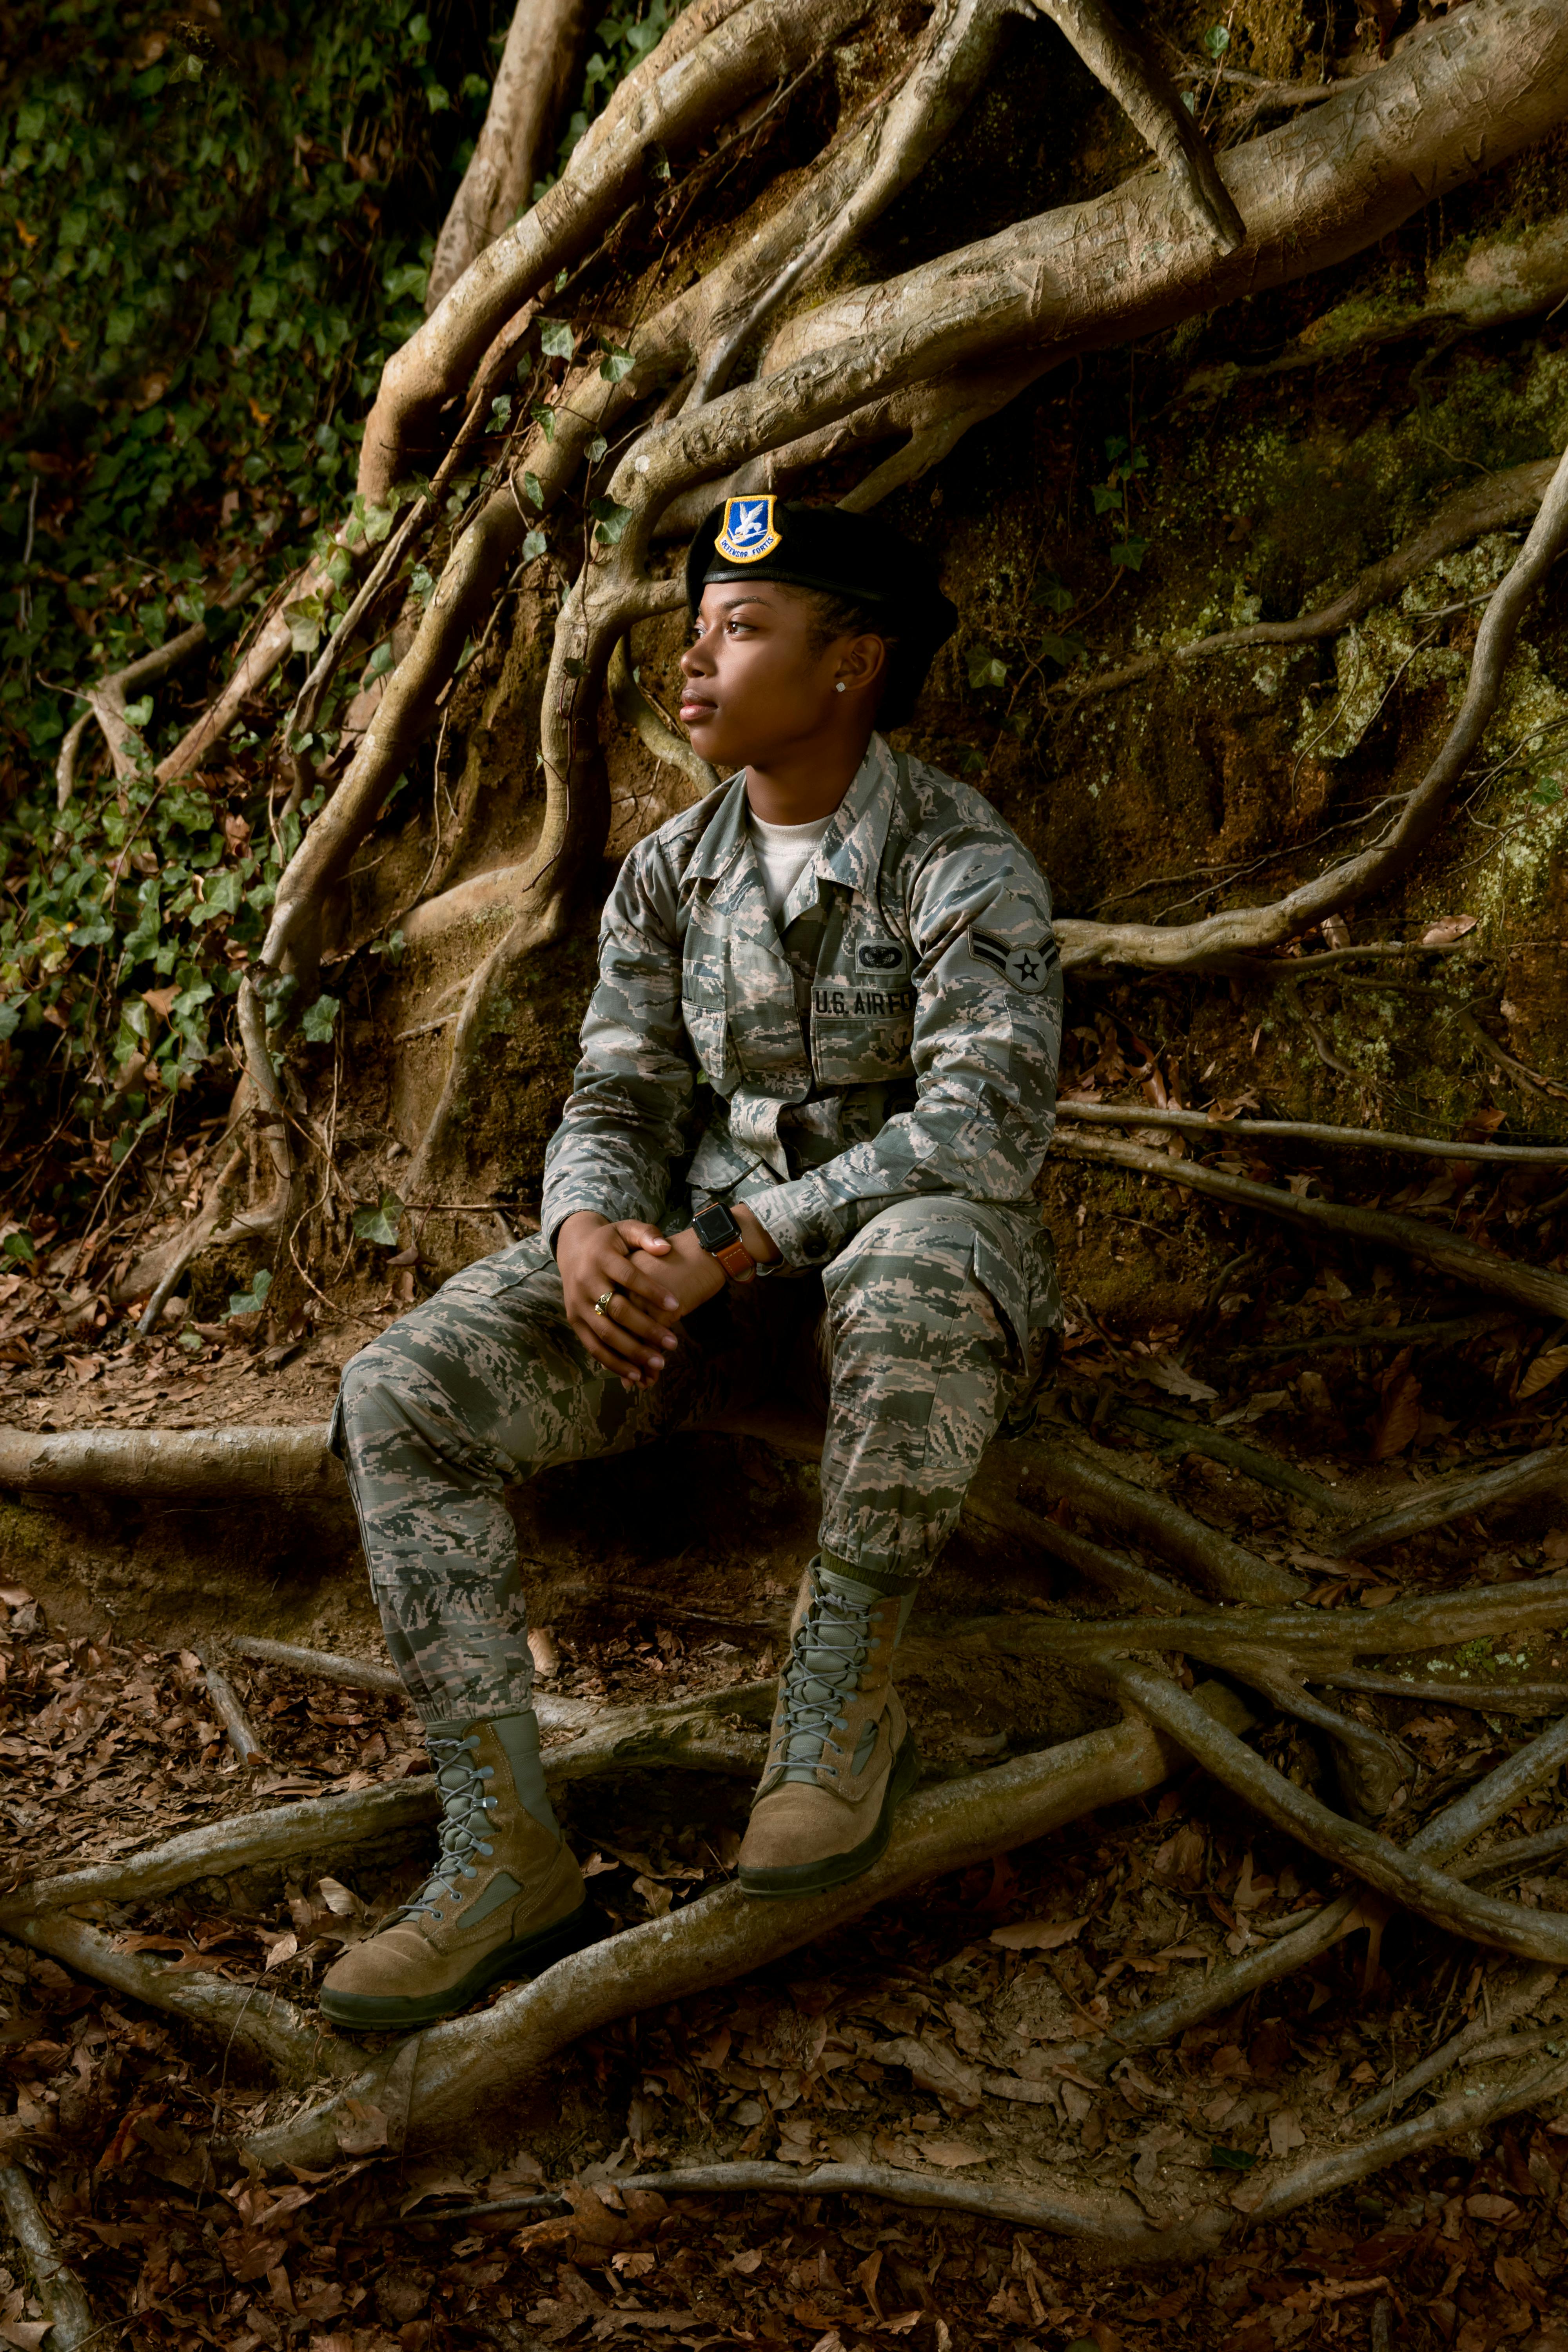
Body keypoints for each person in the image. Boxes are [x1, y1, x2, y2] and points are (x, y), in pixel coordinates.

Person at [319, 496, 1063, 2031]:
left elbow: (983, 1125)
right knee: (400, 1389)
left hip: (890, 1284)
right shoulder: (671, 872)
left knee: (920, 1260)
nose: (694, 666)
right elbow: (616, 1088)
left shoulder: (958, 858)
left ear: (851, 662)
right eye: (694, 630)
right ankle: (497, 1842)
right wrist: (587, 1226)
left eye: (742, 629)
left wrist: (737, 1239)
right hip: (700, 1306)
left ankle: (837, 1708)